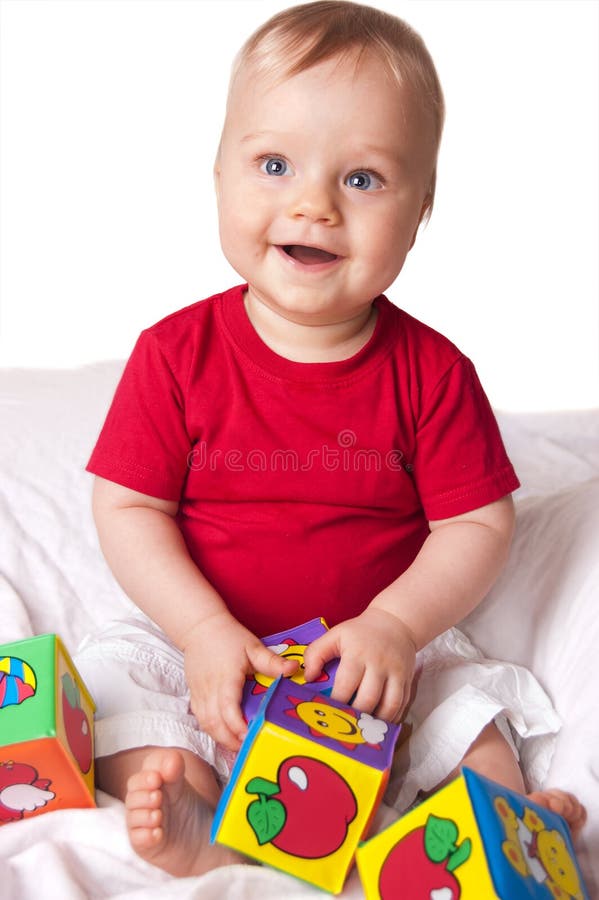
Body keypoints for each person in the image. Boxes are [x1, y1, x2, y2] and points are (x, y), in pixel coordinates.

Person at [76, 0, 586, 879]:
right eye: (274, 164)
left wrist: (395, 623)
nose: (311, 204)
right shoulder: (173, 355)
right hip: (208, 637)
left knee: (464, 698)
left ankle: (501, 817)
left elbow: (475, 526)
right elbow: (128, 505)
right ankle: (195, 802)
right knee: (115, 677)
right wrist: (199, 628)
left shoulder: (433, 373)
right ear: (219, 178)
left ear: (421, 208)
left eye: (361, 179)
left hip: (372, 653)